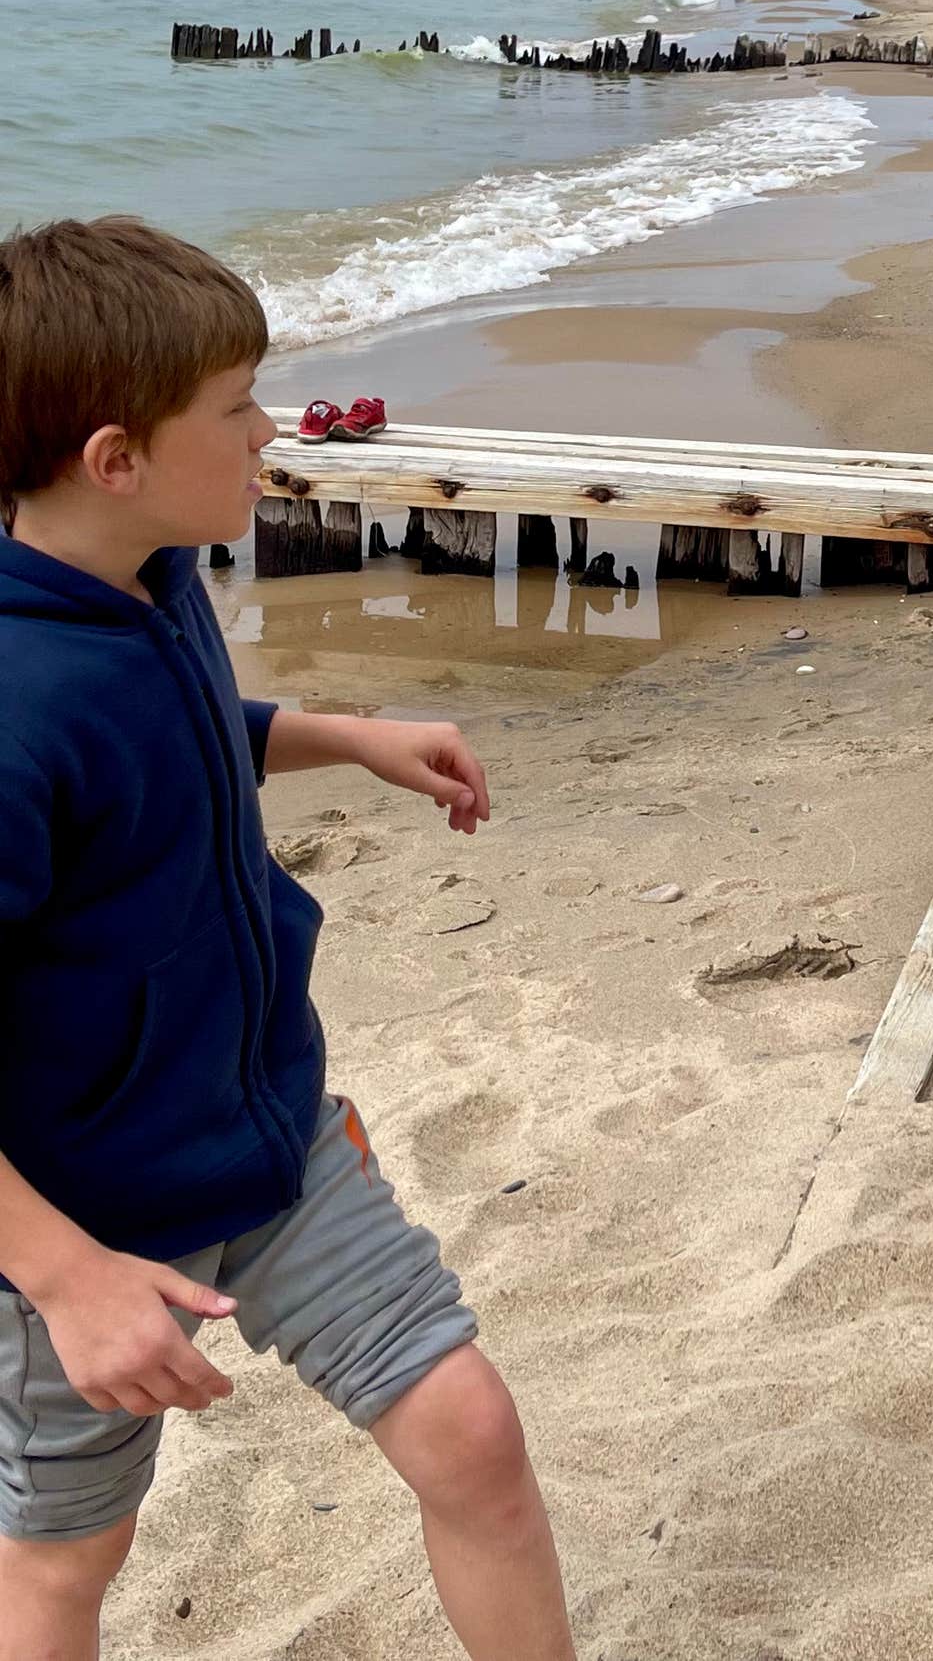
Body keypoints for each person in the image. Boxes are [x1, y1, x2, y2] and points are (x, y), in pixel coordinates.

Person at [0, 219, 573, 1661]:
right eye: (237, 406)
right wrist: (64, 1275)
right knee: (65, 1564)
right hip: (78, 1217)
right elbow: (80, 749)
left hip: (264, 1124)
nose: (271, 430)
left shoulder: (153, 575)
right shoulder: (13, 707)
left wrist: (341, 736)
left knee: (472, 1434)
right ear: (115, 457)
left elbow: (173, 740)